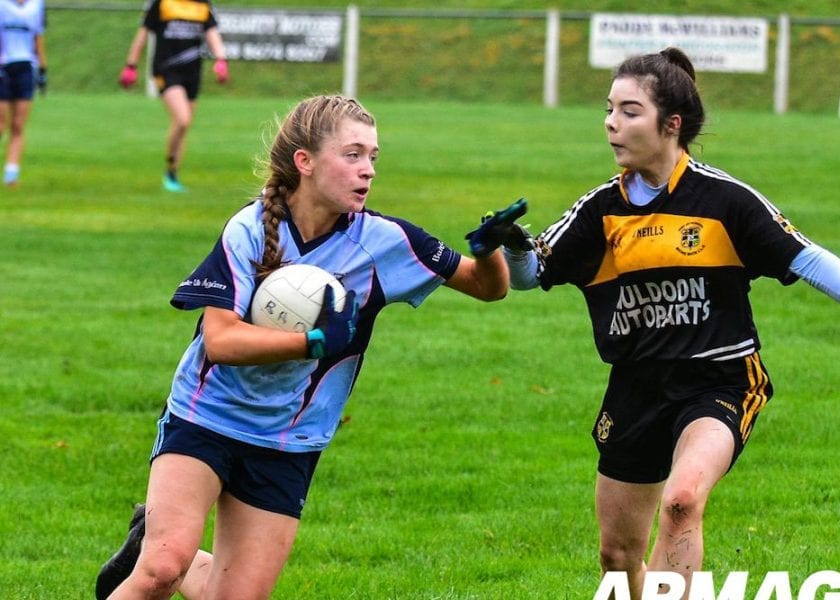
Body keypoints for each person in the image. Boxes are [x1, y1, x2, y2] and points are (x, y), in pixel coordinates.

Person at [499, 47, 840, 598]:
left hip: (721, 380)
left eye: (629, 111)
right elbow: (530, 274)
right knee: (618, 558)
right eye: (609, 109)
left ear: (671, 125)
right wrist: (515, 247)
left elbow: (806, 256)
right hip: (637, 387)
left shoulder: (725, 200)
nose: (611, 124)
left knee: (683, 500)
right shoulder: (600, 210)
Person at [94, 94, 523, 599]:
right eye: (353, 155)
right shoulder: (250, 228)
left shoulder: (385, 241)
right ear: (306, 162)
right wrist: (311, 342)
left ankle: (157, 541)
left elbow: (487, 287)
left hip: (289, 438)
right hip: (206, 415)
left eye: (373, 158)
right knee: (161, 569)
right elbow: (221, 339)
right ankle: (161, 550)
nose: (368, 171)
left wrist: (490, 250)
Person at [118, 0, 228, 193]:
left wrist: (220, 59)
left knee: (183, 126)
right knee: (183, 119)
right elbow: (143, 33)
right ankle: (170, 170)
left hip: (192, 73)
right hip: (166, 71)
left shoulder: (202, 5)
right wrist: (131, 65)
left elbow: (212, 33)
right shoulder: (162, 3)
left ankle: (172, 173)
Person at [0, 0, 47, 187]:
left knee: (18, 124)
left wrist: (43, 70)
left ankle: (11, 175)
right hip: (3, 66)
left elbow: (38, 37)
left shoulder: (36, 5)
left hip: (25, 67)